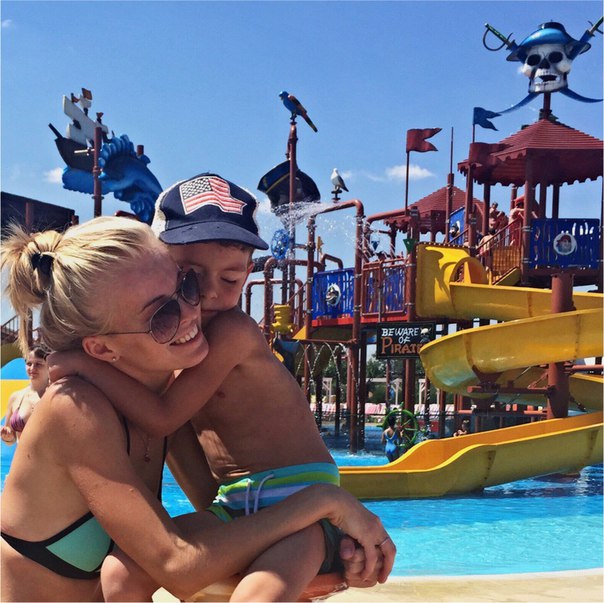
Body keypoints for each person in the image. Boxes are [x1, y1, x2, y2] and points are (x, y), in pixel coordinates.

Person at [1, 216, 394, 602]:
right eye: (162, 316)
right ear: (101, 348)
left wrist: (330, 551)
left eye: (184, 286)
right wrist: (326, 503)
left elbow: (230, 526)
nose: (194, 310)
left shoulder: (165, 402)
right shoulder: (76, 409)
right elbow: (180, 565)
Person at [1, 347, 49, 445]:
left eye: (38, 364)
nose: (32, 368)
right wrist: (7, 436)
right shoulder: (15, 397)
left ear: (48, 366)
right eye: (29, 364)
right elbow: (11, 440)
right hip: (21, 454)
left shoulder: (56, 396)